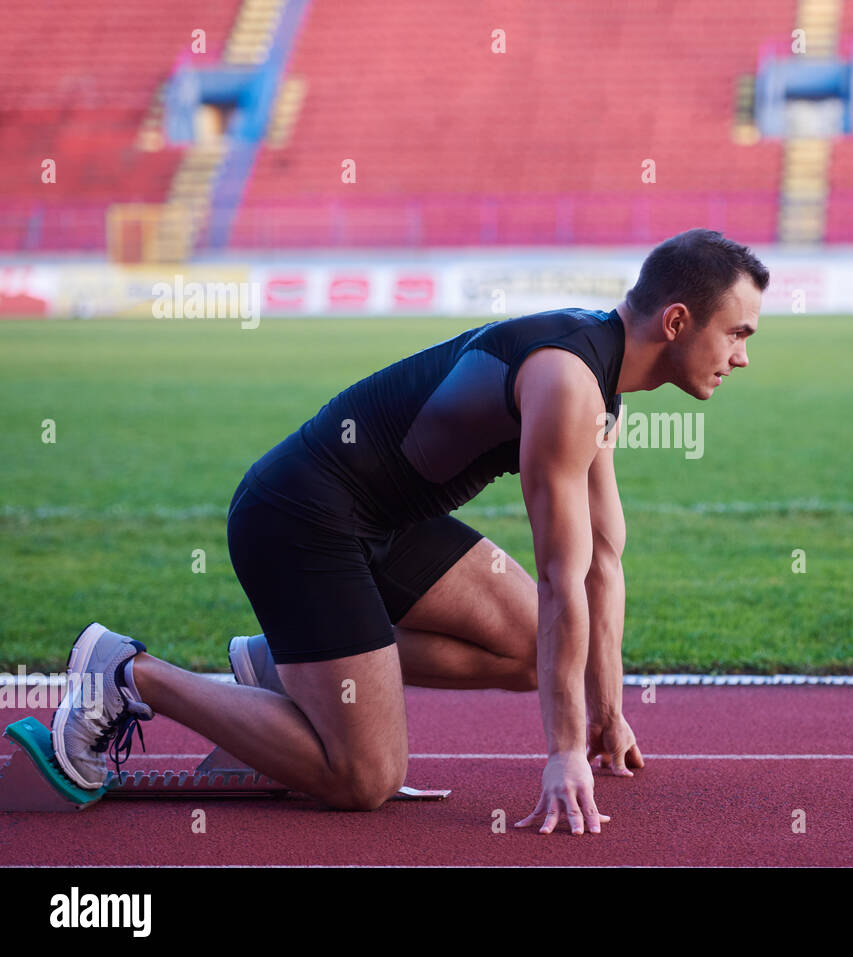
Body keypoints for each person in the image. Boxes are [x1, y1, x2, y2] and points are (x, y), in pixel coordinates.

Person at [52, 228, 768, 835]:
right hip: (302, 517)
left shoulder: (600, 375)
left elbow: (602, 559)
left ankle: (282, 665)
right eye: (737, 333)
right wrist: (564, 750)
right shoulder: (567, 381)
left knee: (530, 651)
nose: (742, 356)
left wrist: (606, 714)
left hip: (386, 521)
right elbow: (559, 577)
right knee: (363, 777)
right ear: (676, 322)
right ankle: (125, 672)